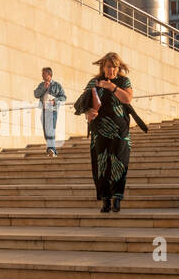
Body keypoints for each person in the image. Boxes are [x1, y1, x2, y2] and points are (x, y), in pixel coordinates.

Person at [73, 52, 134, 213]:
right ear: (103, 67)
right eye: (108, 67)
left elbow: (127, 99)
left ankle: (117, 198)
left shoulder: (123, 81)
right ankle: (105, 200)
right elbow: (81, 102)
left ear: (118, 67)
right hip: (99, 130)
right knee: (102, 165)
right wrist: (88, 112)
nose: (111, 70)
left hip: (120, 131)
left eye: (114, 67)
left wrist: (111, 87)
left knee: (119, 163)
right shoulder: (94, 82)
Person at [33, 67, 67, 156]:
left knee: (50, 130)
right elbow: (36, 94)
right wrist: (44, 88)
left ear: (49, 74)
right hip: (44, 111)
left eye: (43, 73)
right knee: (46, 131)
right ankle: (51, 149)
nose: (42, 75)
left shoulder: (57, 85)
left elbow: (63, 97)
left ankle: (51, 149)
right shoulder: (41, 85)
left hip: (53, 111)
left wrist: (55, 101)